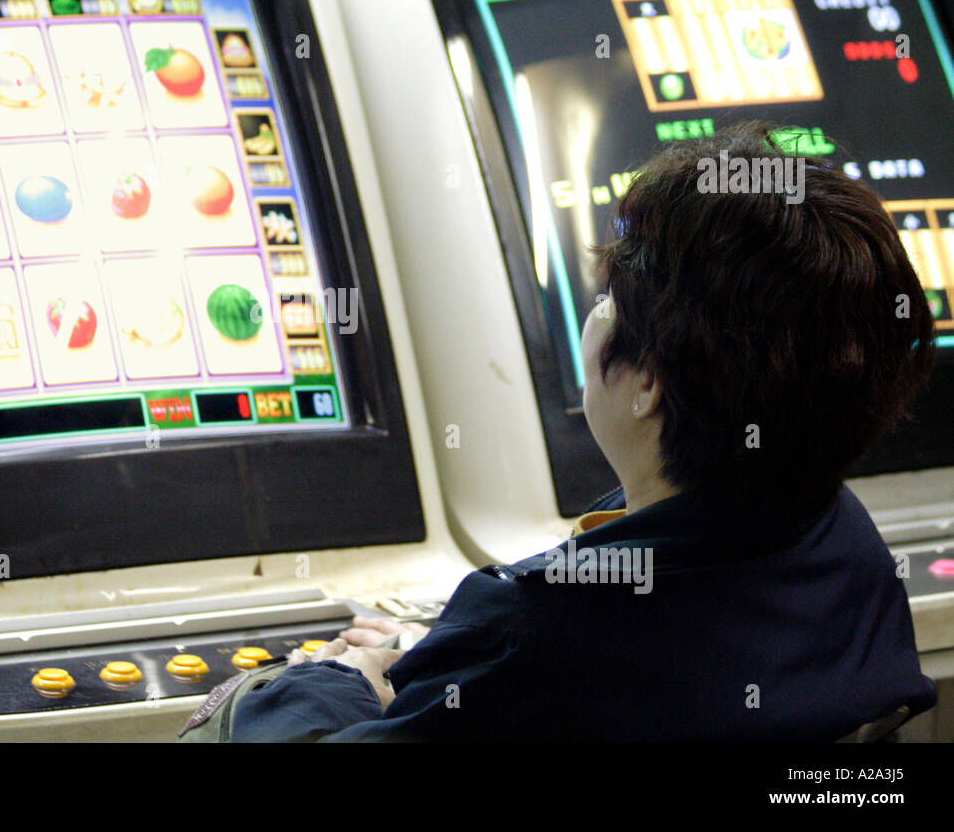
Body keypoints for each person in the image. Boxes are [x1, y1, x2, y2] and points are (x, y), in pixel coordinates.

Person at [232, 122, 937, 742]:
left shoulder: (534, 628)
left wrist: (331, 682)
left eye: (605, 299)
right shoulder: (847, 546)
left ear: (647, 380)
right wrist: (448, 663)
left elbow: (550, 661)